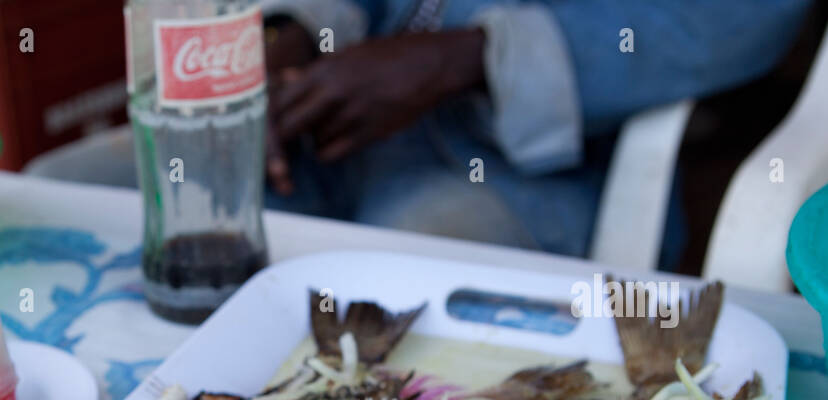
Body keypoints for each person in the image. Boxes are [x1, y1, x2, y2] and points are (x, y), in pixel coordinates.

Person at [260, 0, 815, 263]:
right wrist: (297, 28)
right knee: (200, 219)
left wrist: (472, 58)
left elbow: (736, 18)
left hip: (530, 170)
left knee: (402, 283)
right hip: (323, 117)